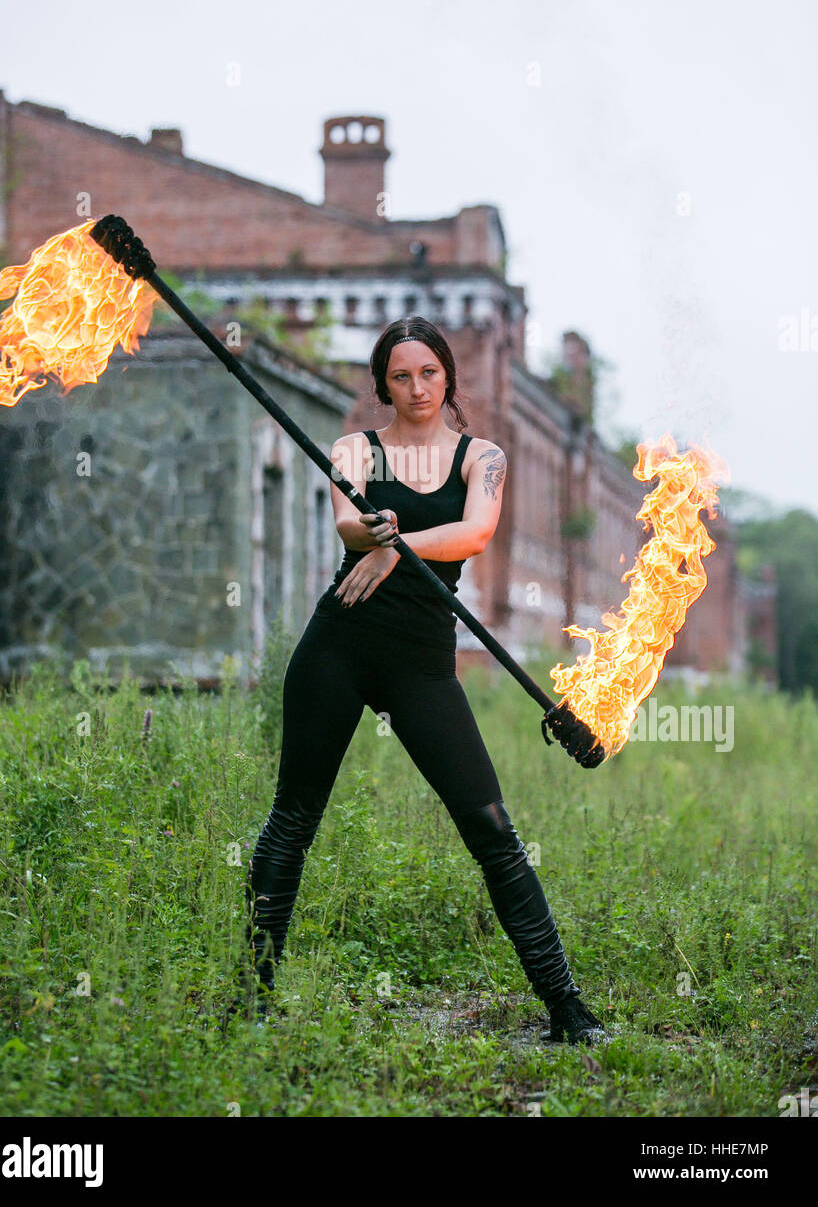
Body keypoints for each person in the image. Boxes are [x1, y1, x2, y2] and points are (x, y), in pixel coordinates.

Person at [240, 316, 605, 1045]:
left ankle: (567, 1010)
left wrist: (396, 545)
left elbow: (474, 535)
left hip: (422, 663)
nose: (416, 388)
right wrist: (374, 538)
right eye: (400, 376)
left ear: (448, 377)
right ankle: (251, 1001)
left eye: (428, 374)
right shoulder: (354, 448)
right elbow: (348, 527)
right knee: (292, 819)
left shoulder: (484, 457)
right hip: (338, 646)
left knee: (491, 825)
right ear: (382, 384)